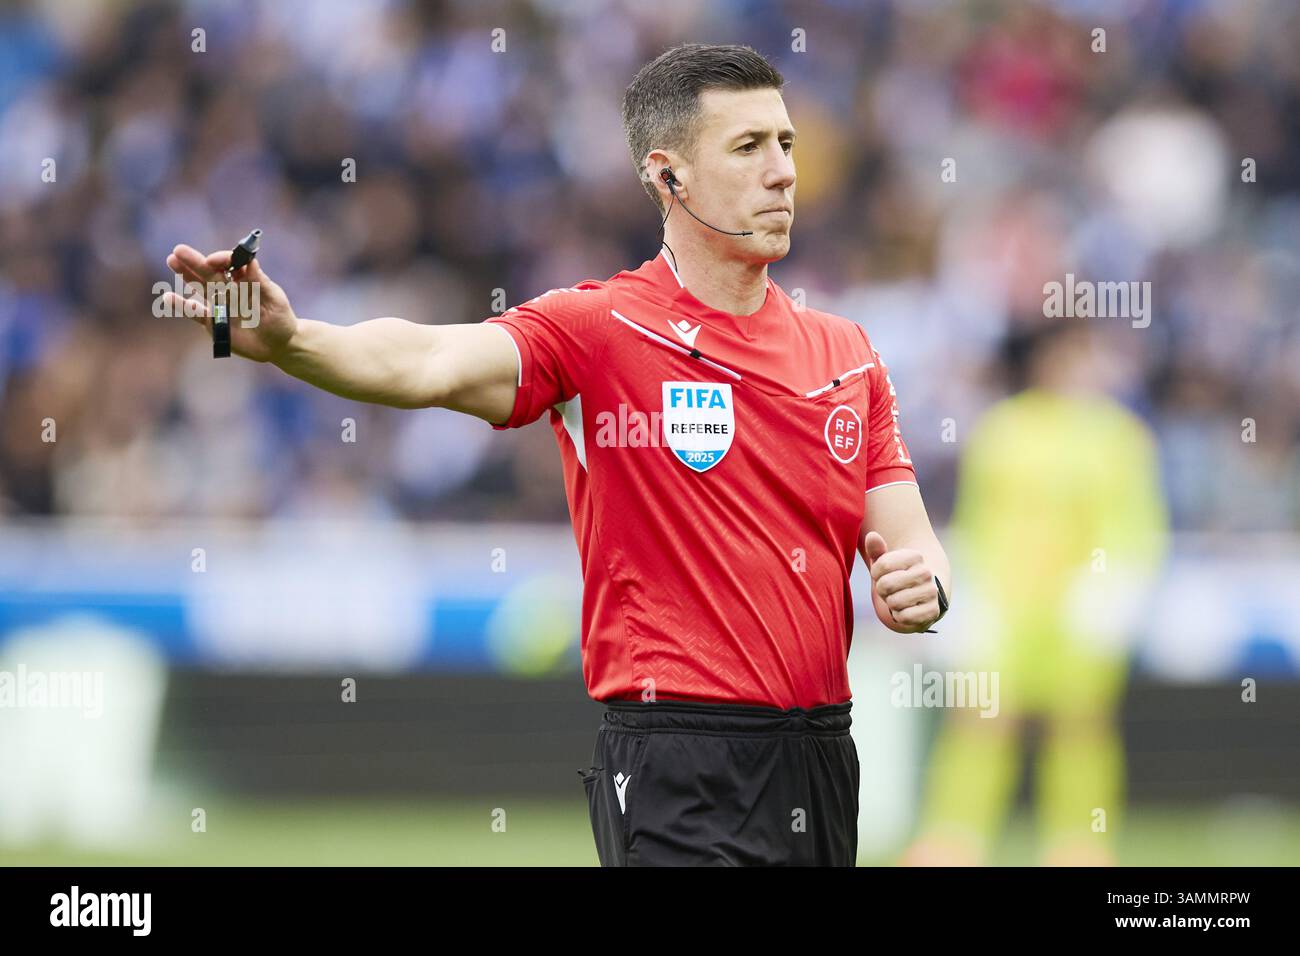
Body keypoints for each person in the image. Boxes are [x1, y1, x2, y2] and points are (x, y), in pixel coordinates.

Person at [162, 43, 950, 866]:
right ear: (668, 175)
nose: (784, 171)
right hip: (679, 759)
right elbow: (427, 361)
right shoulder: (599, 329)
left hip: (823, 757)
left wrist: (923, 585)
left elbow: (913, 542)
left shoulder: (847, 353)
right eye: (748, 147)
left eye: (786, 144)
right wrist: (296, 342)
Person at [901, 323, 1168, 866]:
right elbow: (977, 520)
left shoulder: (1119, 437)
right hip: (1004, 606)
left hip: (1078, 611)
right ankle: (953, 840)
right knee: (979, 721)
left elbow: (1136, 525)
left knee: (1080, 726)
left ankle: (1079, 845)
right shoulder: (1003, 430)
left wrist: (1114, 587)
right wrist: (967, 594)